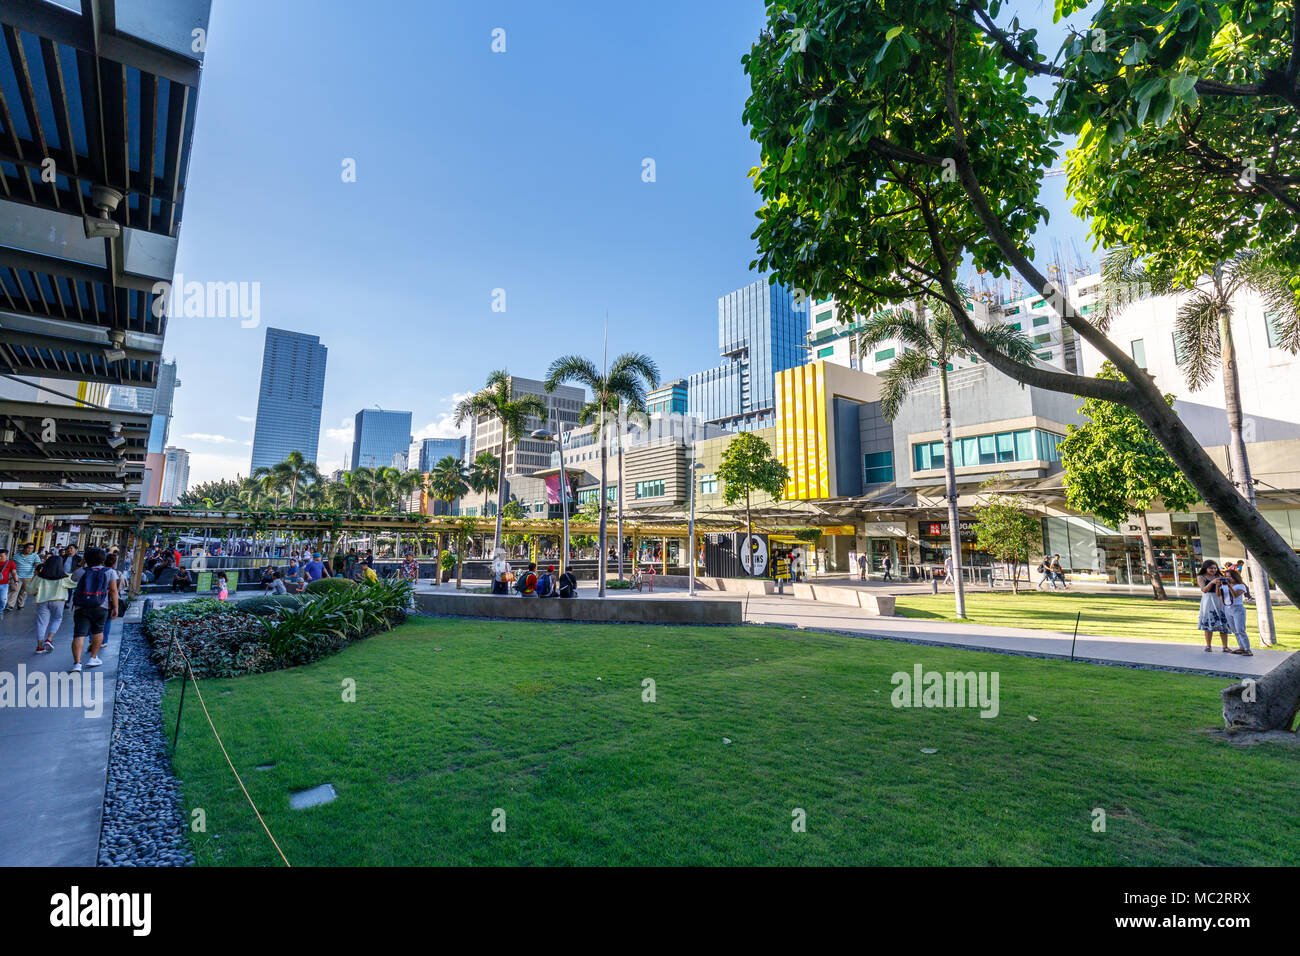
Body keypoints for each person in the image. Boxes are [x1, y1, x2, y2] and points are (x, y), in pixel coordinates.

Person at [69, 547, 118, 673]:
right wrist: (115, 607)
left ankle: (77, 663)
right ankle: (93, 658)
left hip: (82, 606)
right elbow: (113, 591)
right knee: (98, 631)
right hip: (101, 606)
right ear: (103, 559)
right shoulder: (110, 572)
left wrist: (82, 563)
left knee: (79, 634)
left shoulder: (80, 572)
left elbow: (72, 579)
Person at [31, 553, 75, 655]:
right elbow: (74, 585)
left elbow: (30, 589)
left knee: (41, 623)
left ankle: (39, 646)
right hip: (58, 601)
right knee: (57, 619)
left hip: (42, 601)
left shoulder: (39, 577)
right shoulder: (64, 577)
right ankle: (49, 639)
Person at [1195, 560, 1233, 653]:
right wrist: (1212, 582)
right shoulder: (1201, 577)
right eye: (1211, 568)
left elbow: (1225, 589)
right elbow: (1204, 590)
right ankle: (1208, 646)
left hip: (1219, 600)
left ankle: (1225, 646)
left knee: (1223, 623)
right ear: (1205, 568)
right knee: (1209, 623)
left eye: (1215, 568)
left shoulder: (1219, 576)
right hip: (1208, 600)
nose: (1213, 570)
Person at [1219, 568, 1253, 656]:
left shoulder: (1241, 586)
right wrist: (1217, 585)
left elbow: (1235, 595)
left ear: (1235, 577)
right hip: (1227, 608)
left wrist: (1229, 586)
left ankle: (1248, 649)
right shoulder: (1224, 586)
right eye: (1226, 577)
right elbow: (1218, 594)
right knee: (1234, 630)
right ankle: (1241, 647)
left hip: (1238, 609)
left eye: (1230, 577)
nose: (1228, 578)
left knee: (1240, 629)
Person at [6, 542, 38, 611]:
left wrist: (38, 570)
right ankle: (10, 605)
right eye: (28, 548)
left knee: (24, 592)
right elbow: (10, 564)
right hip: (16, 576)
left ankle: (20, 605)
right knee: (14, 590)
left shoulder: (35, 556)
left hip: (28, 577)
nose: (29, 550)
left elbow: (37, 564)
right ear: (24, 548)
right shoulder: (16, 556)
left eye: (32, 548)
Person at [100, 552, 121, 647]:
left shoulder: (98, 571)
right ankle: (103, 641)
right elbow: (116, 590)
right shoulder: (115, 573)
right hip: (109, 600)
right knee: (107, 621)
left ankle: (92, 639)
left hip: (96, 598)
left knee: (95, 621)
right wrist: (116, 607)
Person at [0, 548, 16, 617]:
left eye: (1, 556)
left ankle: (1, 609)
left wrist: (16, 581)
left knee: (3, 599)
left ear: (6, 555)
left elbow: (14, 573)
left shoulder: (10, 563)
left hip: (4, 584)